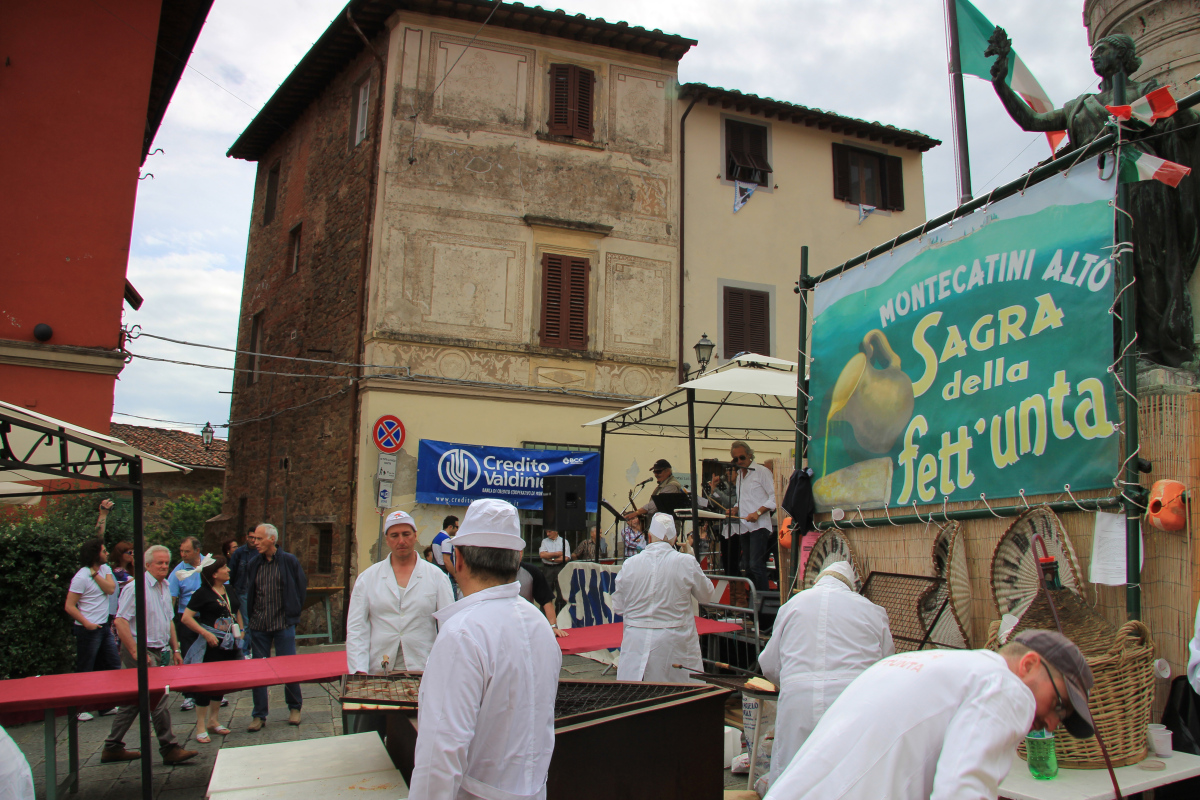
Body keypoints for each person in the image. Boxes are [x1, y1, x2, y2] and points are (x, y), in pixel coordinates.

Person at [764, 629, 1096, 800]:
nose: (1053, 724)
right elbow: (963, 792)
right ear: (1028, 665)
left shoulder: (926, 664)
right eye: (1059, 705)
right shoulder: (1007, 687)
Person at [409, 498, 561, 800]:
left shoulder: (463, 633)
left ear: (460, 560)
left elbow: (440, 754)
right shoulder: (539, 623)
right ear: (517, 560)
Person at [758, 561, 894, 791]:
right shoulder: (872, 610)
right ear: (850, 585)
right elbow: (885, 667)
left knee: (795, 777)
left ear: (818, 579)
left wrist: (792, 681)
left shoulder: (793, 605)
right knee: (846, 777)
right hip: (851, 700)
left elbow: (769, 665)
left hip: (799, 701)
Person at [101, 545, 198, 765]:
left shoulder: (165, 586)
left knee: (135, 701)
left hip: (158, 649)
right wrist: (136, 650)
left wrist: (175, 649)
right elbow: (120, 621)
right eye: (159, 563)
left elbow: (169, 620)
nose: (164, 566)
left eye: (166, 563)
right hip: (141, 650)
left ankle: (112, 746)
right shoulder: (136, 588)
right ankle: (169, 747)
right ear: (147, 565)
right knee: (159, 699)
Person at [347, 509, 454, 675]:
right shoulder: (367, 578)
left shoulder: (436, 577)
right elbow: (356, 628)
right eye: (394, 535)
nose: (401, 541)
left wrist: (445, 669)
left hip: (423, 668)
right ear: (387, 540)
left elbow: (448, 627)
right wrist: (359, 670)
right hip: (378, 669)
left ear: (415, 535)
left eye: (406, 534)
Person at [612, 512, 715, 683]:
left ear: (650, 537)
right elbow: (707, 595)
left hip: (637, 641)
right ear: (674, 539)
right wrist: (692, 559)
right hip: (675, 642)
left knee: (635, 701)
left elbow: (619, 607)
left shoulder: (630, 564)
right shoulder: (685, 562)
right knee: (679, 702)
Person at [244, 522, 307, 730]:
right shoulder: (254, 563)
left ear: (272, 539)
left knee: (288, 668)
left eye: (259, 539)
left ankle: (295, 707)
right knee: (258, 671)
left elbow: (300, 588)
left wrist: (293, 613)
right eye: (254, 539)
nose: (255, 543)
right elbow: (249, 590)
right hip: (259, 624)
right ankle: (259, 714)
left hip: (283, 623)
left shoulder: (288, 561)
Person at [181, 555, 244, 743]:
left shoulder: (229, 589)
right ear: (215, 573)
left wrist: (241, 629)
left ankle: (213, 720)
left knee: (221, 683)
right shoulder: (202, 593)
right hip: (212, 645)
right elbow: (186, 618)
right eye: (224, 567)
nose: (229, 570)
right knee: (206, 685)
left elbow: (236, 611)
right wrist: (205, 633)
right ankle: (200, 725)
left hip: (229, 643)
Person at [64, 537, 119, 721]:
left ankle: (105, 705)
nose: (107, 553)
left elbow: (111, 589)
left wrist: (95, 574)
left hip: (103, 627)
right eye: (104, 551)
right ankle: (80, 707)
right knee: (85, 668)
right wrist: (86, 623)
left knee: (111, 664)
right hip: (88, 629)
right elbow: (70, 606)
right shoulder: (80, 577)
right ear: (95, 554)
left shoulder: (104, 570)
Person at [727, 441, 776, 591]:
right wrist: (735, 508)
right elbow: (743, 499)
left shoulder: (762, 471)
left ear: (750, 455)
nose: (739, 462)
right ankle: (753, 605)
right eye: (736, 459)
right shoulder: (740, 476)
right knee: (747, 567)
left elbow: (774, 497)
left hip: (759, 526)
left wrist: (758, 513)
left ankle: (763, 604)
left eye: (741, 457)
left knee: (756, 565)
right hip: (745, 527)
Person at [168, 536, 204, 712]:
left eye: (186, 551)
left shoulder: (209, 564)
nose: (183, 554)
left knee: (209, 654)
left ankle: (212, 692)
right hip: (187, 618)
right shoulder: (178, 572)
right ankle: (189, 695)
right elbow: (172, 597)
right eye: (181, 551)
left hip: (207, 616)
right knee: (189, 653)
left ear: (197, 551)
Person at [517, 564, 570, 639]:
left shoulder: (531, 571)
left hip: (525, 624)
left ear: (521, 553)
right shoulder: (494, 571)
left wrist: (553, 627)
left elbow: (546, 600)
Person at [538, 528, 570, 608]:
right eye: (546, 532)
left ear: (556, 531)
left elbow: (565, 558)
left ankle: (559, 613)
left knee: (561, 592)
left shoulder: (564, 542)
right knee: (546, 592)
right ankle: (545, 614)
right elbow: (542, 555)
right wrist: (557, 554)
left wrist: (550, 558)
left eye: (549, 531)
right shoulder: (544, 541)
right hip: (547, 569)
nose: (547, 534)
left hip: (560, 568)